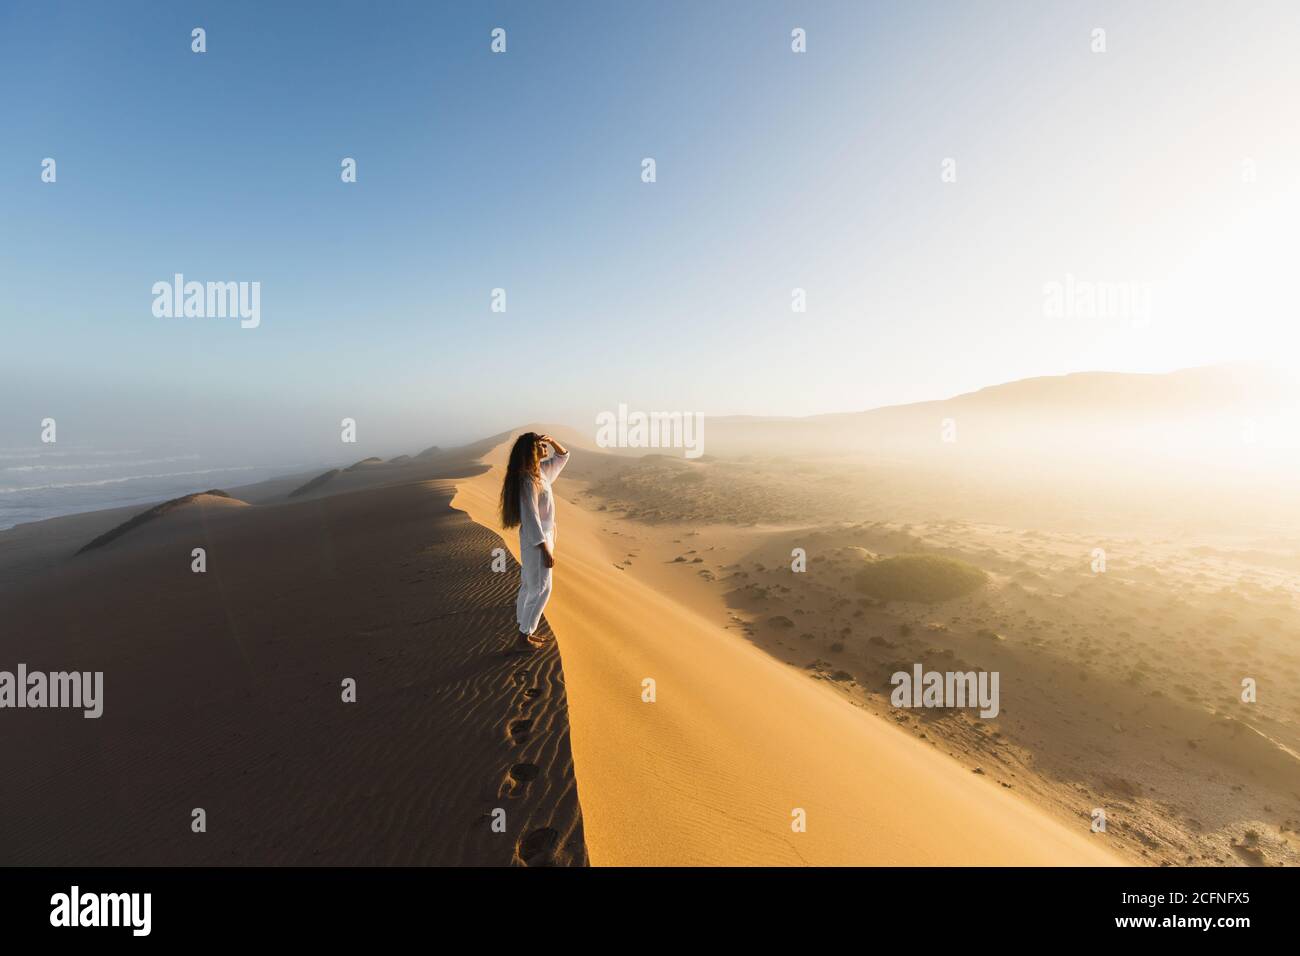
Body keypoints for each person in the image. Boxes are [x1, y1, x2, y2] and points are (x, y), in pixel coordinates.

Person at [499, 431, 569, 645]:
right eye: (539, 446)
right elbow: (531, 517)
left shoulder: (541, 472)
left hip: (542, 537)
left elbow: (563, 456)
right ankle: (523, 637)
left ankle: (525, 629)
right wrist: (544, 549)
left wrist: (552, 440)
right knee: (541, 589)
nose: (544, 448)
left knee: (530, 586)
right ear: (530, 451)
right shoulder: (529, 480)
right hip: (537, 540)